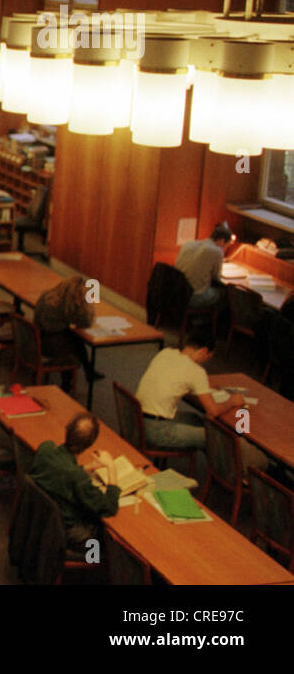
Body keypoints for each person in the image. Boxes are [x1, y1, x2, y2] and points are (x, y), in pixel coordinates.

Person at [135, 330, 260, 466]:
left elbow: (172, 382)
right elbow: (213, 411)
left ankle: (218, 468)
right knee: (215, 436)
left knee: (196, 420)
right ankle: (229, 475)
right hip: (157, 431)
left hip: (138, 419)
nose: (205, 362)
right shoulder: (196, 372)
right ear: (204, 351)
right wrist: (232, 401)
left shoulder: (166, 353)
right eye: (209, 357)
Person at [28, 413, 121, 551]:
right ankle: (92, 561)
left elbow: (58, 472)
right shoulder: (77, 477)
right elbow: (109, 507)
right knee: (105, 539)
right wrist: (111, 468)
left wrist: (85, 468)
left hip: (40, 521)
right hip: (65, 531)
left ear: (67, 430)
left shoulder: (46, 448)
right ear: (90, 444)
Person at [34, 274, 101, 389]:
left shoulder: (48, 296)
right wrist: (86, 304)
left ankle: (88, 370)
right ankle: (68, 382)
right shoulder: (67, 305)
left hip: (36, 339)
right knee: (75, 343)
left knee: (75, 338)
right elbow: (85, 322)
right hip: (49, 346)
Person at [174, 222, 233, 310]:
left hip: (176, 292)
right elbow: (216, 277)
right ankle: (202, 321)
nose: (225, 249)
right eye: (226, 246)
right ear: (222, 240)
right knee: (227, 295)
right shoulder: (217, 251)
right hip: (193, 297)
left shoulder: (189, 244)